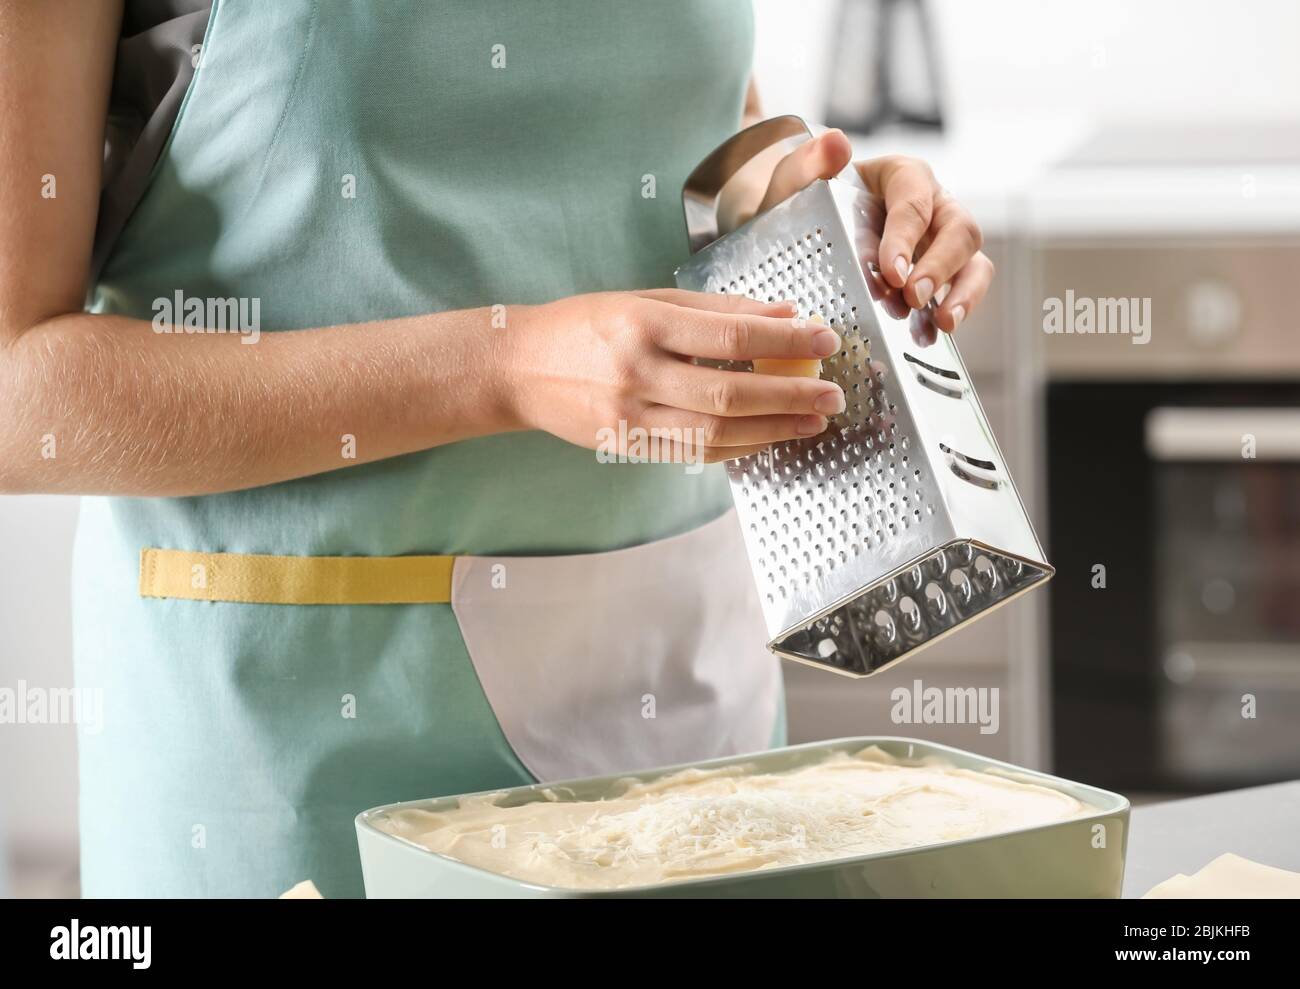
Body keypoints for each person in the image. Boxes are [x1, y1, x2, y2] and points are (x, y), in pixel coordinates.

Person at [0, 0, 994, 897]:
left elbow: (699, 150)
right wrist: (501, 366)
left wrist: (822, 205)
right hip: (305, 739)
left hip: (685, 699)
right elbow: (16, 389)